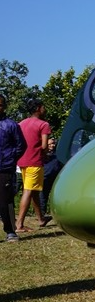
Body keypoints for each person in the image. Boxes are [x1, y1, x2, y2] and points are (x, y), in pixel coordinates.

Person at [15, 98, 52, 233]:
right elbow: (44, 145)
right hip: (35, 161)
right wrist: (46, 154)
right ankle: (19, 224)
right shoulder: (44, 124)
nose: (44, 109)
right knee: (28, 191)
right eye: (43, 107)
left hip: (22, 161)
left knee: (34, 190)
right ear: (37, 108)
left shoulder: (21, 123)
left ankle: (41, 219)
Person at [0, 94, 27, 242]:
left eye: (0, 105)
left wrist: (10, 158)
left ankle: (10, 231)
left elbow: (21, 145)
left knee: (5, 201)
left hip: (4, 168)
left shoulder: (11, 125)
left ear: (4, 107)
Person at [40, 138, 62, 215]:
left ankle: (56, 212)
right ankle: (42, 212)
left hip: (56, 177)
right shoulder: (42, 154)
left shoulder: (58, 153)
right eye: (49, 144)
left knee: (55, 195)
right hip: (45, 177)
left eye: (53, 143)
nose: (52, 145)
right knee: (43, 195)